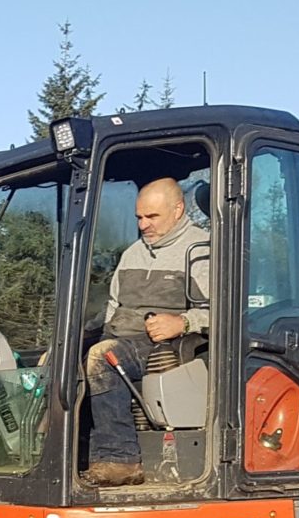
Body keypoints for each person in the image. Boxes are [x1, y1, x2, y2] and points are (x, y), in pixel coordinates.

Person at [82, 178, 210, 486]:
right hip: (120, 334)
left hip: (160, 345)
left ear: (178, 209)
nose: (143, 225)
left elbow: (229, 312)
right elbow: (113, 308)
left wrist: (184, 322)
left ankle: (120, 459)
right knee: (58, 358)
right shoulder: (132, 254)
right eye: (139, 217)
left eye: (152, 217)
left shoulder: (201, 250)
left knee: (103, 356)